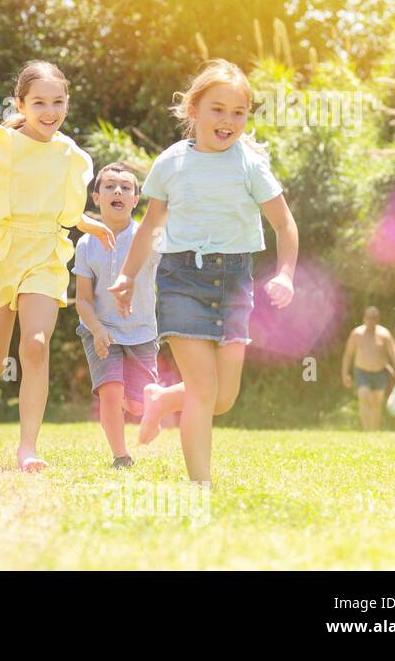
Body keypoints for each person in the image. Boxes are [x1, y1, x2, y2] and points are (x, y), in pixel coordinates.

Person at [110, 59, 299, 484]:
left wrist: (285, 273)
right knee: (202, 388)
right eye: (218, 109)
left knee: (222, 398)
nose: (228, 120)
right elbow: (152, 226)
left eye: (238, 112)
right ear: (193, 110)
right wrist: (127, 275)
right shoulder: (171, 162)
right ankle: (201, 486)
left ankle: (160, 399)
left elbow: (285, 224)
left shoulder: (249, 163)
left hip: (234, 282)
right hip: (181, 279)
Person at [0, 60, 116, 472]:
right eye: (39, 102)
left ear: (67, 102)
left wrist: (89, 223)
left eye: (58, 102)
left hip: (44, 253)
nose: (50, 111)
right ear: (20, 103)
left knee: (35, 346)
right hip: (1, 252)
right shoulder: (1, 144)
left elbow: (67, 210)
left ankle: (28, 448)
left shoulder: (70, 155)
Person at [72, 163, 166, 468]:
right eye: (110, 186)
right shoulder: (86, 244)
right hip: (102, 331)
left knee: (139, 406)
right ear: (96, 197)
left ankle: (141, 401)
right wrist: (97, 330)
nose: (118, 191)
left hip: (142, 331)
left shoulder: (149, 238)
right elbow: (83, 300)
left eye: (126, 187)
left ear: (136, 199)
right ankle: (120, 456)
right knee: (111, 392)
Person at [341, 306, 395, 431]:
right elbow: (348, 355)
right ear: (364, 318)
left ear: (378, 319)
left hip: (380, 372)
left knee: (377, 403)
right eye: (368, 318)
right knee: (365, 397)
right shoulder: (357, 334)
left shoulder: (384, 334)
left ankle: (374, 431)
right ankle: (366, 430)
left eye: (374, 318)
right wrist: (345, 375)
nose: (371, 321)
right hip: (362, 372)